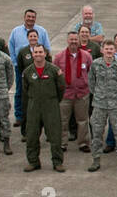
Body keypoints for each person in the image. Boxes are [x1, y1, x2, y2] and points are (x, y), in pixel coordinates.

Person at [89, 41, 117, 171]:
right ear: (102, 50)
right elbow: (91, 82)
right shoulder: (96, 64)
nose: (109, 51)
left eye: (111, 49)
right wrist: (99, 95)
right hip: (99, 104)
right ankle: (96, 160)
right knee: (97, 133)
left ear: (114, 51)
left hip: (116, 105)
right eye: (106, 49)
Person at [21, 43, 66, 172]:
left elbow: (61, 88)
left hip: (51, 105)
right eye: (36, 52)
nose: (38, 54)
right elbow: (25, 90)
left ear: (45, 54)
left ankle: (57, 162)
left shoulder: (54, 70)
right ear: (33, 54)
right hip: (33, 106)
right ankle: (33, 162)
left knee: (55, 136)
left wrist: (53, 100)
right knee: (31, 136)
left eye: (41, 52)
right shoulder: (28, 72)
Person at [8, 10, 50, 124]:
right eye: (28, 16)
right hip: (21, 67)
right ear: (24, 17)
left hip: (39, 68)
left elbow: (47, 48)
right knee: (20, 91)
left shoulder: (42, 31)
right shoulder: (16, 31)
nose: (30, 19)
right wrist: (15, 62)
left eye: (33, 17)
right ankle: (19, 116)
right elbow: (11, 47)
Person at [56, 31, 93, 153]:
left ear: (79, 40)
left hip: (82, 94)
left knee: (83, 120)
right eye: (71, 39)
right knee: (62, 120)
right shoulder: (59, 57)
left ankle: (83, 143)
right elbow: (55, 75)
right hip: (65, 94)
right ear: (67, 40)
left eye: (75, 39)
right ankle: (62, 143)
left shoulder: (86, 56)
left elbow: (90, 72)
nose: (73, 42)